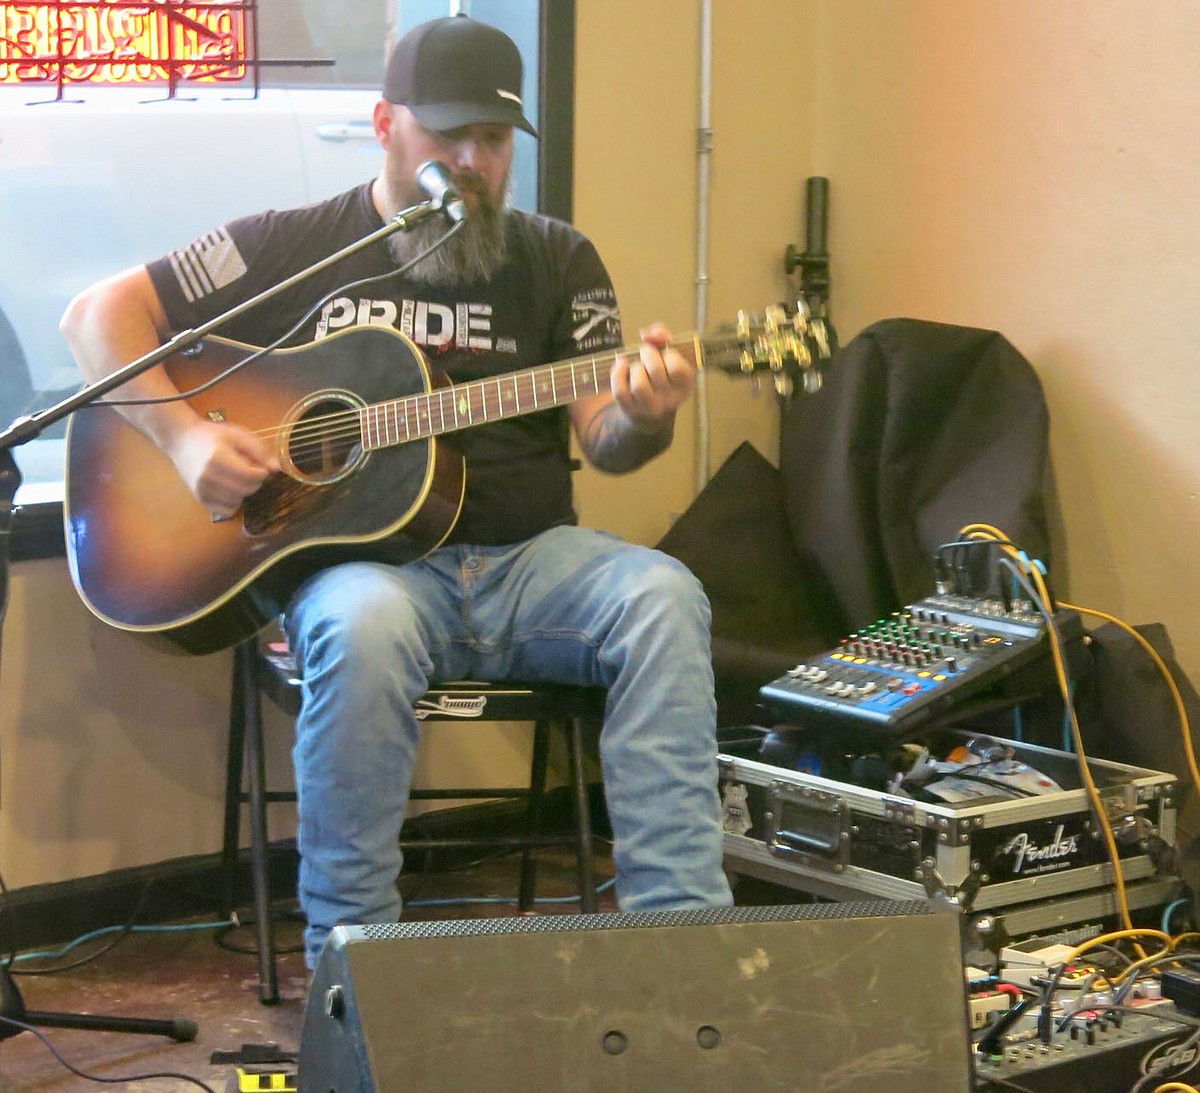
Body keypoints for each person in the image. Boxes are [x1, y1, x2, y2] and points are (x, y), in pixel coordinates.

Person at [60, 14, 733, 969]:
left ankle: (682, 949)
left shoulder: (558, 259)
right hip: (369, 574)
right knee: (361, 623)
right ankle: (359, 962)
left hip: (532, 566)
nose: (471, 159)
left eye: (493, 140)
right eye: (446, 134)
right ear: (384, 125)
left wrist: (648, 411)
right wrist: (181, 440)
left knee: (664, 595)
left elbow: (609, 440)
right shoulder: (301, 246)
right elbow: (96, 317)